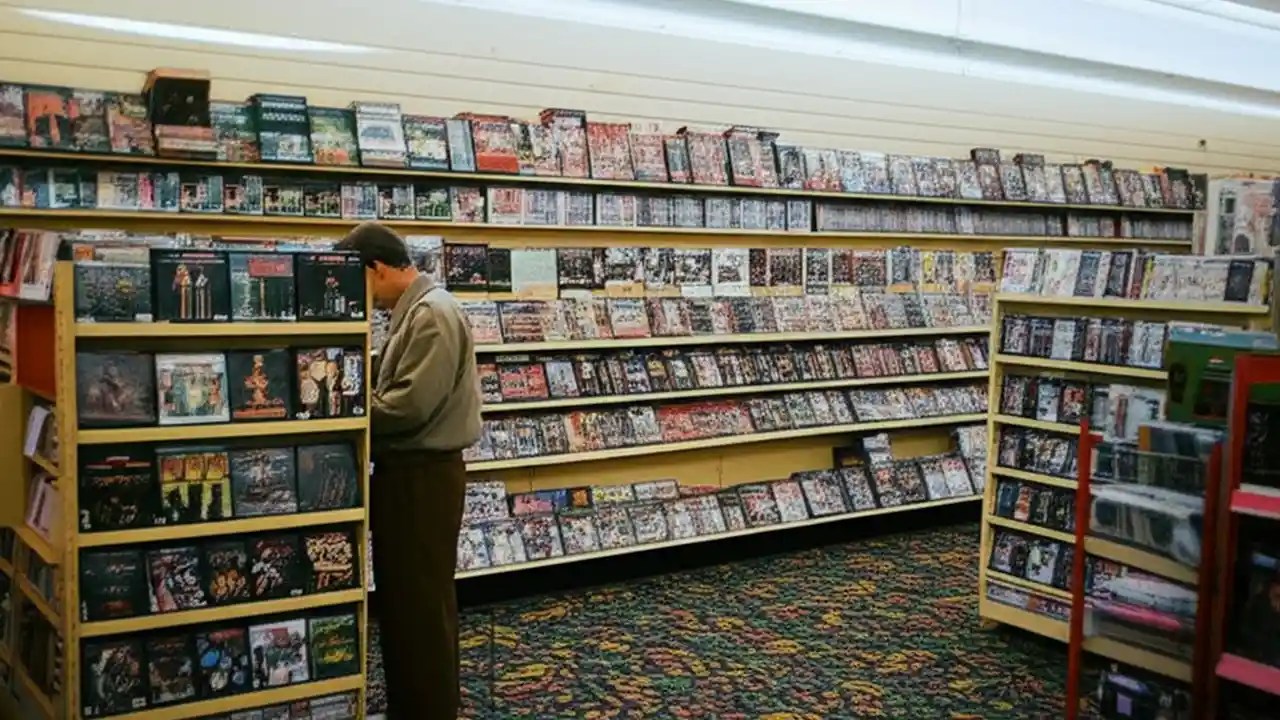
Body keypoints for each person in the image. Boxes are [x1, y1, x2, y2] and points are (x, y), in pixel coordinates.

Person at [336, 222, 482, 719]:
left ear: (376, 269)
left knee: (420, 603)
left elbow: (409, 407)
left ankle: (428, 708)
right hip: (409, 474)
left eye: (362, 284)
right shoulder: (416, 311)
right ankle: (414, 703)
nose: (365, 299)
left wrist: (347, 412)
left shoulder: (433, 313)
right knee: (405, 599)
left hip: (425, 474)